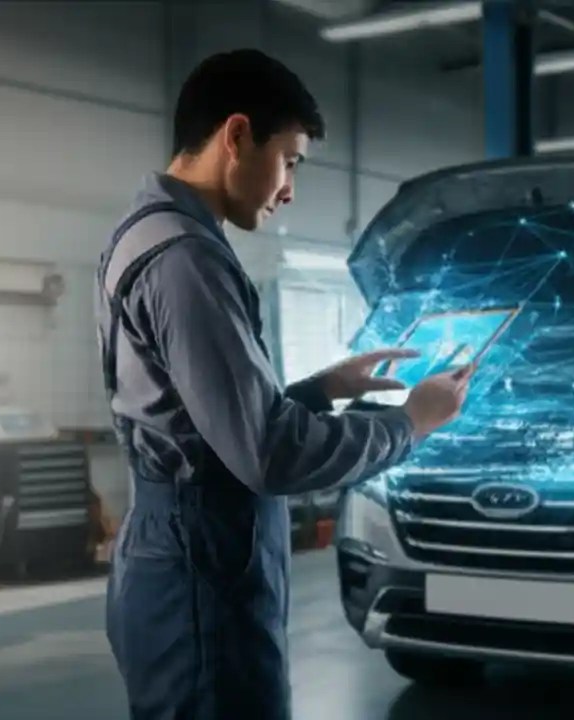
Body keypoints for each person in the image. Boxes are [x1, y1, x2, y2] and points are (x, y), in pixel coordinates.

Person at [94, 49, 473, 720]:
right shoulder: (186, 259)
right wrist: (410, 423)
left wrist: (321, 389)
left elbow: (202, 425)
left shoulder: (148, 232)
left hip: (185, 554)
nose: (290, 188)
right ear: (236, 135)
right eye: (291, 160)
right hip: (201, 579)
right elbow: (269, 453)